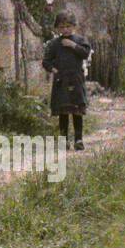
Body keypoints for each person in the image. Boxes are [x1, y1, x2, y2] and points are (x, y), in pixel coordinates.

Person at [42, 11, 92, 150]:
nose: (65, 29)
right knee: (63, 112)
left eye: (68, 26)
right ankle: (64, 141)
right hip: (61, 81)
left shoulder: (80, 40)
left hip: (76, 79)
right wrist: (54, 70)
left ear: (74, 26)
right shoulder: (54, 44)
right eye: (62, 27)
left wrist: (72, 45)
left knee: (77, 111)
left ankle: (78, 139)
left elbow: (85, 53)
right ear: (57, 28)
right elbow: (46, 62)